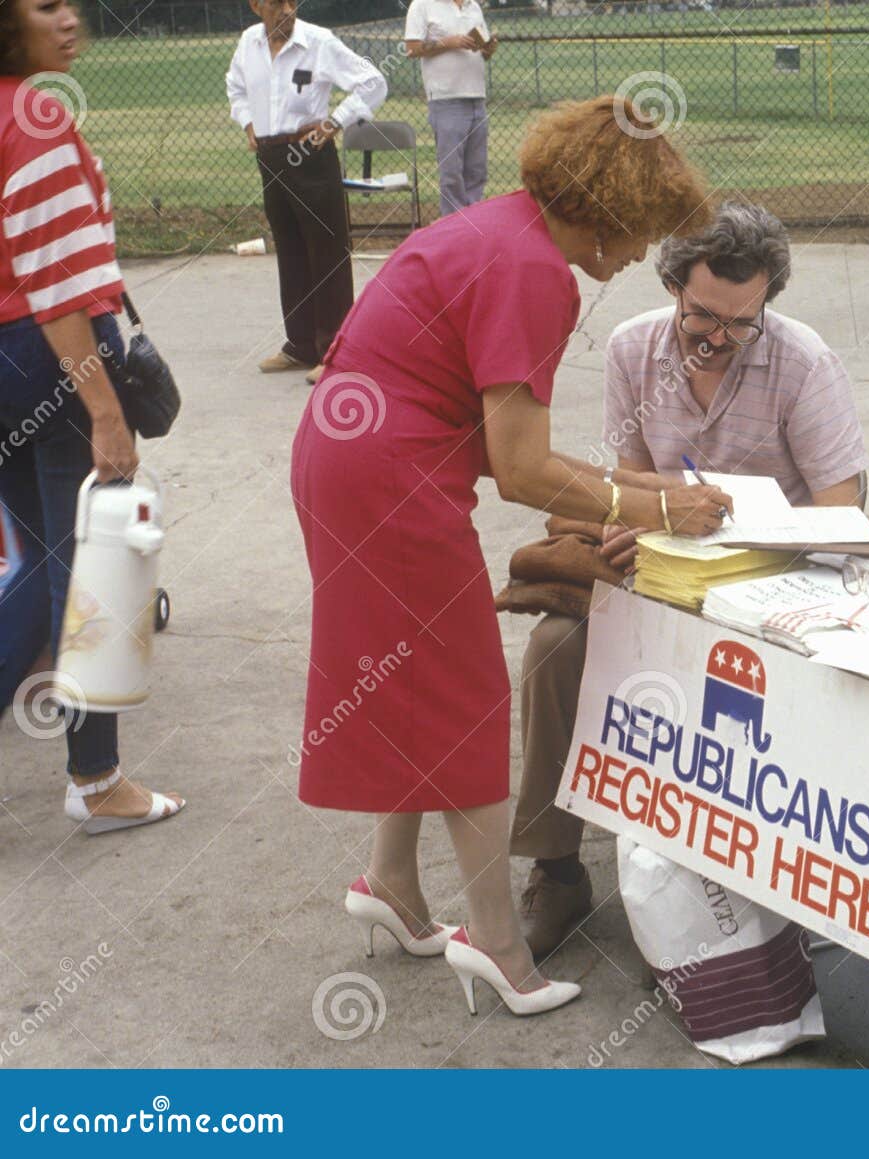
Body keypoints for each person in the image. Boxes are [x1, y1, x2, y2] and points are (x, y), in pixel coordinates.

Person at [290, 94, 731, 1017]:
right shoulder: (540, 271)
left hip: (348, 457)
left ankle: (392, 881)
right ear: (611, 211)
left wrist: (659, 501)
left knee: (414, 680)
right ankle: (495, 941)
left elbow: (512, 455)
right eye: (643, 229)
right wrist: (648, 504)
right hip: (391, 488)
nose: (640, 252)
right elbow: (521, 470)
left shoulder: (498, 229)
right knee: (464, 702)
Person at [512, 201, 869, 957]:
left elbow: (843, 513)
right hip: (662, 574)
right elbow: (629, 479)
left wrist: (736, 535)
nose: (719, 340)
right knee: (554, 648)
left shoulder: (804, 362)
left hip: (776, 589)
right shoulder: (631, 348)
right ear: (674, 284)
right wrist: (628, 522)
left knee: (746, 683)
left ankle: (741, 896)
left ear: (767, 301)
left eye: (744, 324)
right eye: (703, 317)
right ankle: (556, 866)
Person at [1, 0, 184, 834]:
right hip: (47, 358)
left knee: (39, 560)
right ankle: (97, 779)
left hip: (11, 362)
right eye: (46, 7)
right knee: (84, 569)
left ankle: (87, 758)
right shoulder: (35, 121)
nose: (70, 20)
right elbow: (55, 287)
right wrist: (104, 410)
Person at [226, 0, 386, 385]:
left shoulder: (319, 42)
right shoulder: (249, 43)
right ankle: (299, 345)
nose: (285, 9)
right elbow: (236, 87)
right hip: (270, 155)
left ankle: (334, 352)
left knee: (326, 251)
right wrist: (247, 122)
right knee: (291, 248)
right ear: (255, 6)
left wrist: (336, 121)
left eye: (291, 1)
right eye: (275, 2)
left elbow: (373, 82)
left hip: (310, 153)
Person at [404, 0, 496, 218]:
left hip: (476, 96)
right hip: (446, 99)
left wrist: (488, 48)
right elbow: (411, 48)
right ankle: (454, 227)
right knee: (452, 173)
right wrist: (449, 42)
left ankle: (473, 224)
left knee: (477, 171)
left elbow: (484, 52)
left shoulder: (473, 6)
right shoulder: (422, 5)